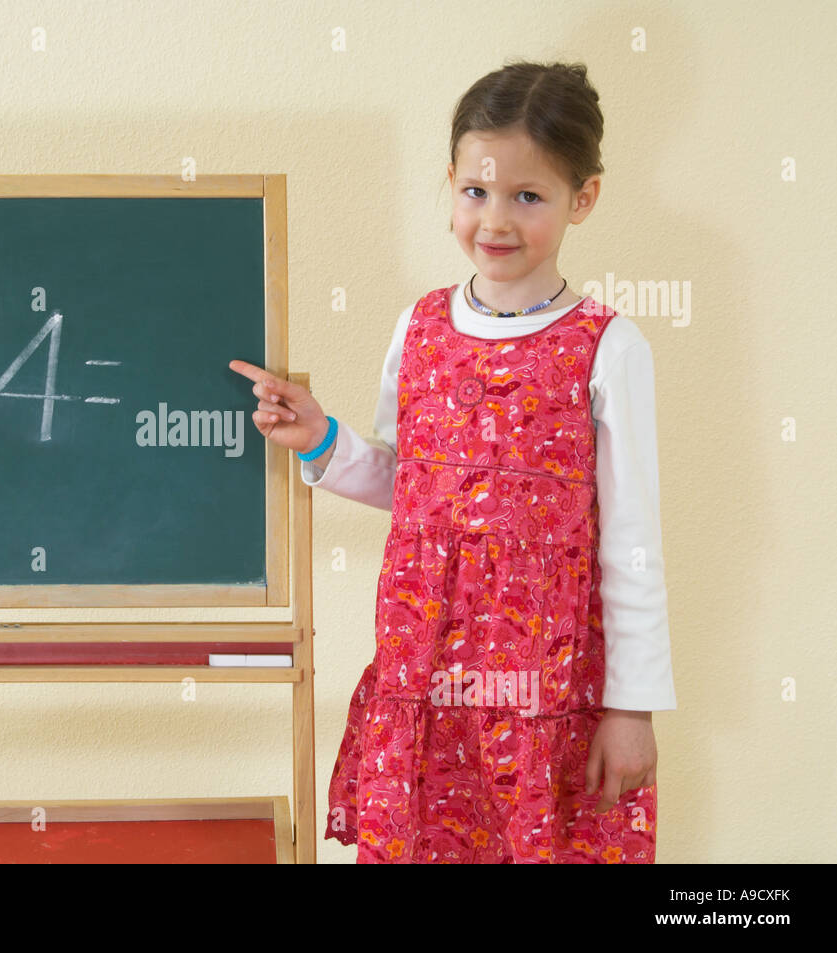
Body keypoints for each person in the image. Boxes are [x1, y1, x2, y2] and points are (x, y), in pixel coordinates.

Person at [229, 59, 676, 863]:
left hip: (548, 687)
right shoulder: (421, 326)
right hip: (425, 673)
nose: (496, 220)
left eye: (527, 197)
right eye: (476, 192)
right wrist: (324, 438)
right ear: (450, 184)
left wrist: (632, 708)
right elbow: (416, 485)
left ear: (584, 198)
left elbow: (632, 540)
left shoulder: (608, 345)